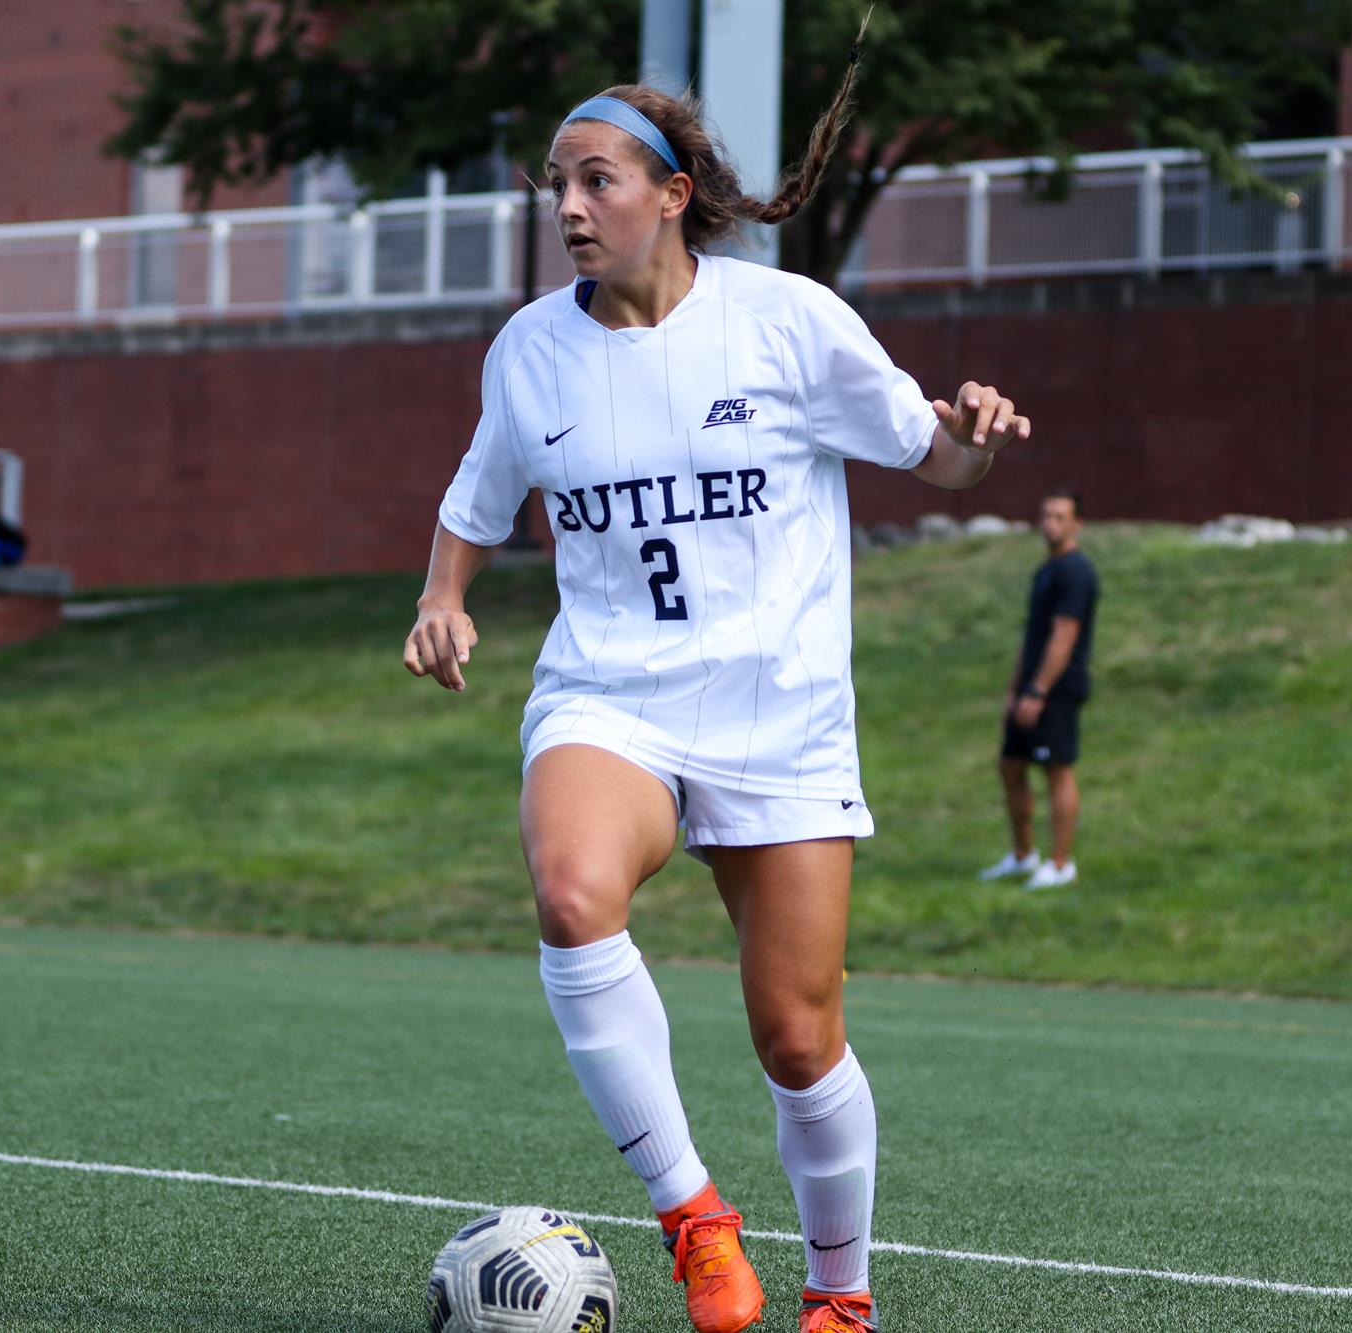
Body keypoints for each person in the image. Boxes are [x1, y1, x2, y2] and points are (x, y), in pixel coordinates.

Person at [401, 39, 1030, 1333]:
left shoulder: (786, 322)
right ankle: (694, 1216)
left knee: (797, 1038)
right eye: (556, 187)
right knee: (573, 894)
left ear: (674, 193)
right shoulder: (528, 352)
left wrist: (970, 439)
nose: (569, 209)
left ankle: (842, 1302)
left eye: (597, 182)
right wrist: (443, 595)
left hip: (779, 712)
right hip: (609, 694)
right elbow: (477, 496)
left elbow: (936, 457)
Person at [979, 491, 1097, 891]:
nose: (1051, 523)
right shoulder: (1046, 570)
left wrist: (1039, 690)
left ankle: (1061, 864)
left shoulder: (1076, 572)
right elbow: (1032, 638)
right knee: (1010, 766)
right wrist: (1016, 690)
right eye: (1046, 515)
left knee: (1056, 770)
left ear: (1077, 523)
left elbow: (1064, 637)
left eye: (1060, 517)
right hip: (1029, 687)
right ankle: (1023, 856)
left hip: (1056, 689)